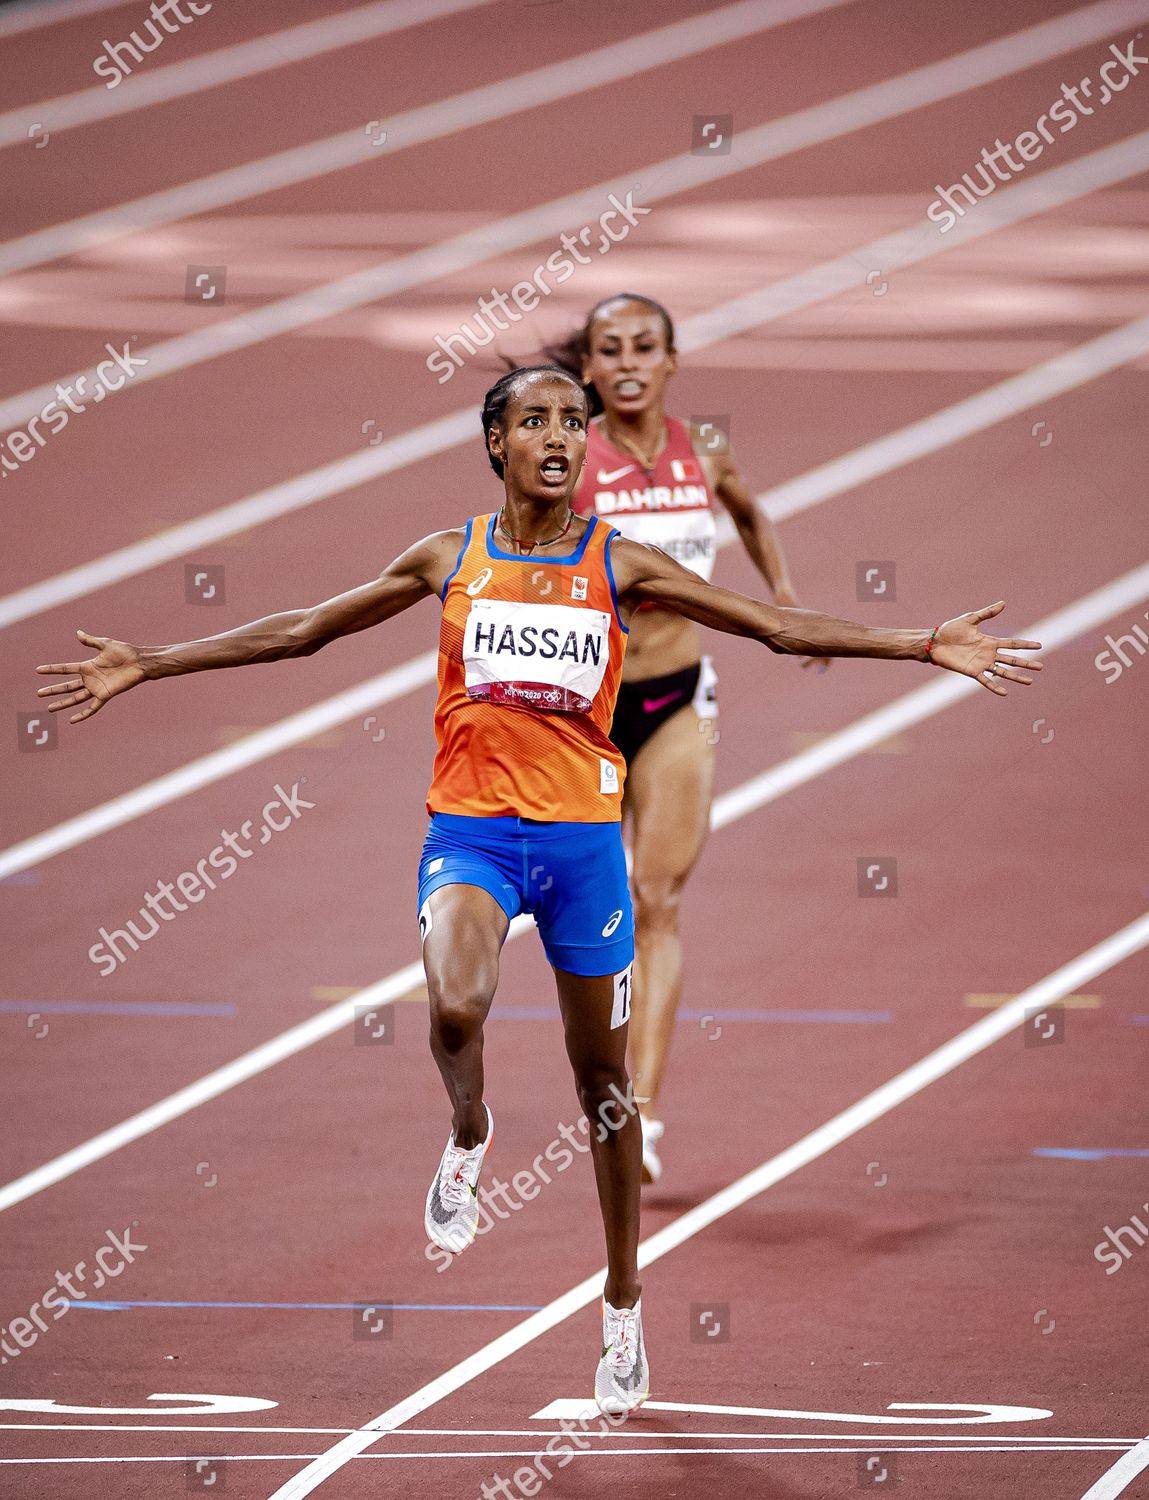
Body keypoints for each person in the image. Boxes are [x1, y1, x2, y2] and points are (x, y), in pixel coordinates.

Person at [34, 364, 1042, 1415]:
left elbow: (774, 627)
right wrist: (148, 661)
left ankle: (620, 1307)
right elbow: (302, 630)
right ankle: (470, 1133)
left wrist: (922, 644)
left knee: (605, 1094)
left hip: (583, 854)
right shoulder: (450, 556)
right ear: (496, 445)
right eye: (536, 421)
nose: (560, 435)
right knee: (456, 1004)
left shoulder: (623, 562)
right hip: (471, 835)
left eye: (573, 421)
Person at [543, 291, 821, 1183]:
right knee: (576, 911)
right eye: (609, 349)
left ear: (670, 361)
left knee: (656, 899)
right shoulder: (564, 461)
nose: (626, 363)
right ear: (587, 367)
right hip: (579, 715)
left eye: (643, 348)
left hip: (673, 702)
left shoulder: (704, 449)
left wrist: (781, 591)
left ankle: (641, 1112)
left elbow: (748, 510)